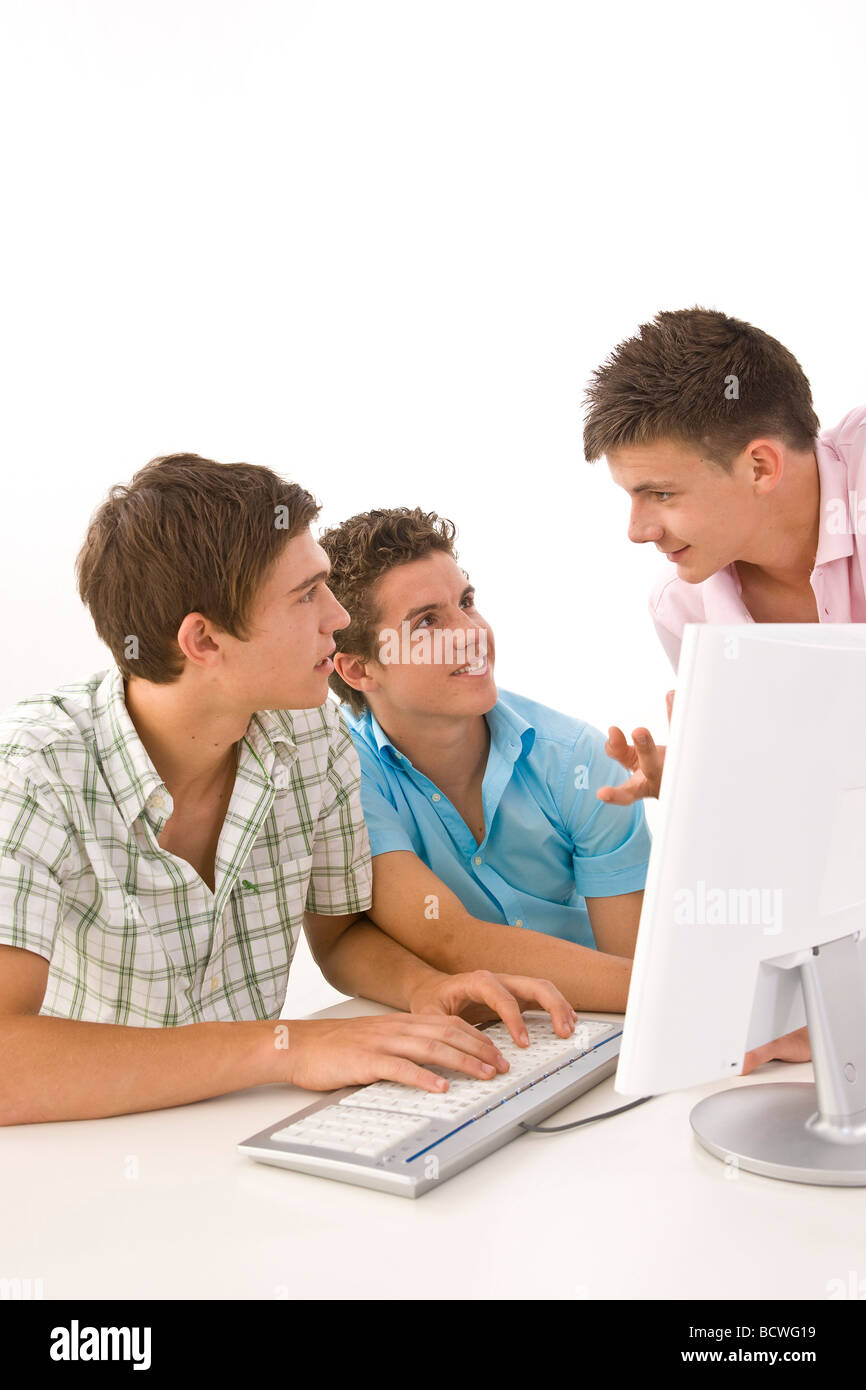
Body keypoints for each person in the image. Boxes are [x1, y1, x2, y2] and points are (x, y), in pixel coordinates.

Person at [0, 455, 576, 1127]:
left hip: (243, 1126)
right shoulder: (34, 771)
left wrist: (426, 989)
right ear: (203, 639)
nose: (338, 616)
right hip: (84, 1149)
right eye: (306, 595)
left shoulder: (310, 733)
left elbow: (341, 934)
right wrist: (287, 1047)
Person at [582, 306, 865, 1069]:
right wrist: (706, 783)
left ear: (761, 466)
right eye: (629, 496)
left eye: (660, 494)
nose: (638, 529)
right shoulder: (686, 610)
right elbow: (803, 819)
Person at [319, 506, 651, 1013]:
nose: (471, 632)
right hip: (468, 1028)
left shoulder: (580, 760)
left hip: (601, 1015)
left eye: (466, 602)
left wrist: (681, 999)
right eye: (428, 622)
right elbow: (444, 938)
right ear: (358, 670)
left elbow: (635, 973)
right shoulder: (345, 775)